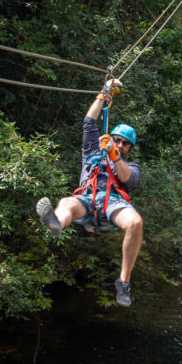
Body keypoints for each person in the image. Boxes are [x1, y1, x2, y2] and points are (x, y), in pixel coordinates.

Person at [36, 79, 142, 306]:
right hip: (87, 198)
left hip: (113, 204)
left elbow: (126, 179)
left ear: (129, 149)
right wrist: (103, 94)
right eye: (117, 140)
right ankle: (56, 223)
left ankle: (123, 282)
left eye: (125, 144)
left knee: (135, 222)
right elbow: (89, 121)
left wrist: (114, 154)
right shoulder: (92, 151)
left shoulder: (132, 167)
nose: (120, 144)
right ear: (111, 137)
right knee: (66, 202)